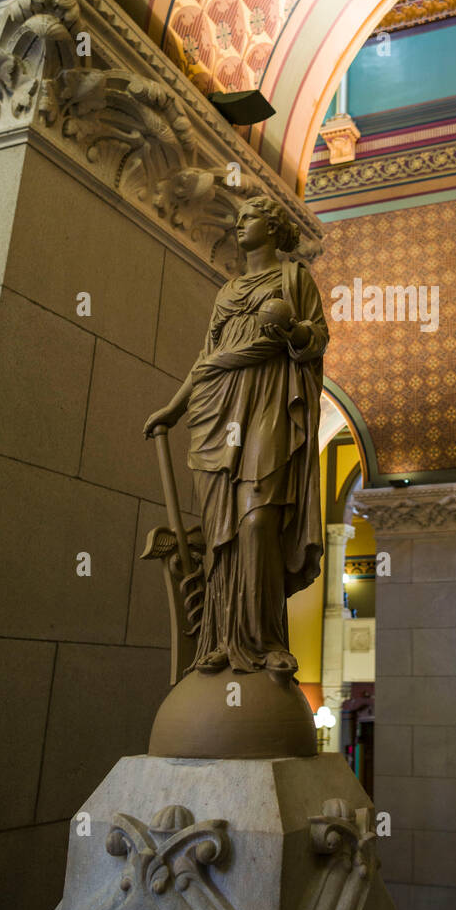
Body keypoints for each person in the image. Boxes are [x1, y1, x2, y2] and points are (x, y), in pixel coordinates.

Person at [144, 194, 328, 678]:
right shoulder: (227, 292)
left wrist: (294, 330)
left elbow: (317, 340)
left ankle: (264, 641)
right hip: (218, 405)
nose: (240, 224)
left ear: (271, 228)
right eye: (240, 217)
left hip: (269, 401)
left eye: (250, 217)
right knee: (223, 532)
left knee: (257, 521)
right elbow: (207, 358)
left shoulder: (295, 279)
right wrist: (174, 407)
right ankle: (222, 641)